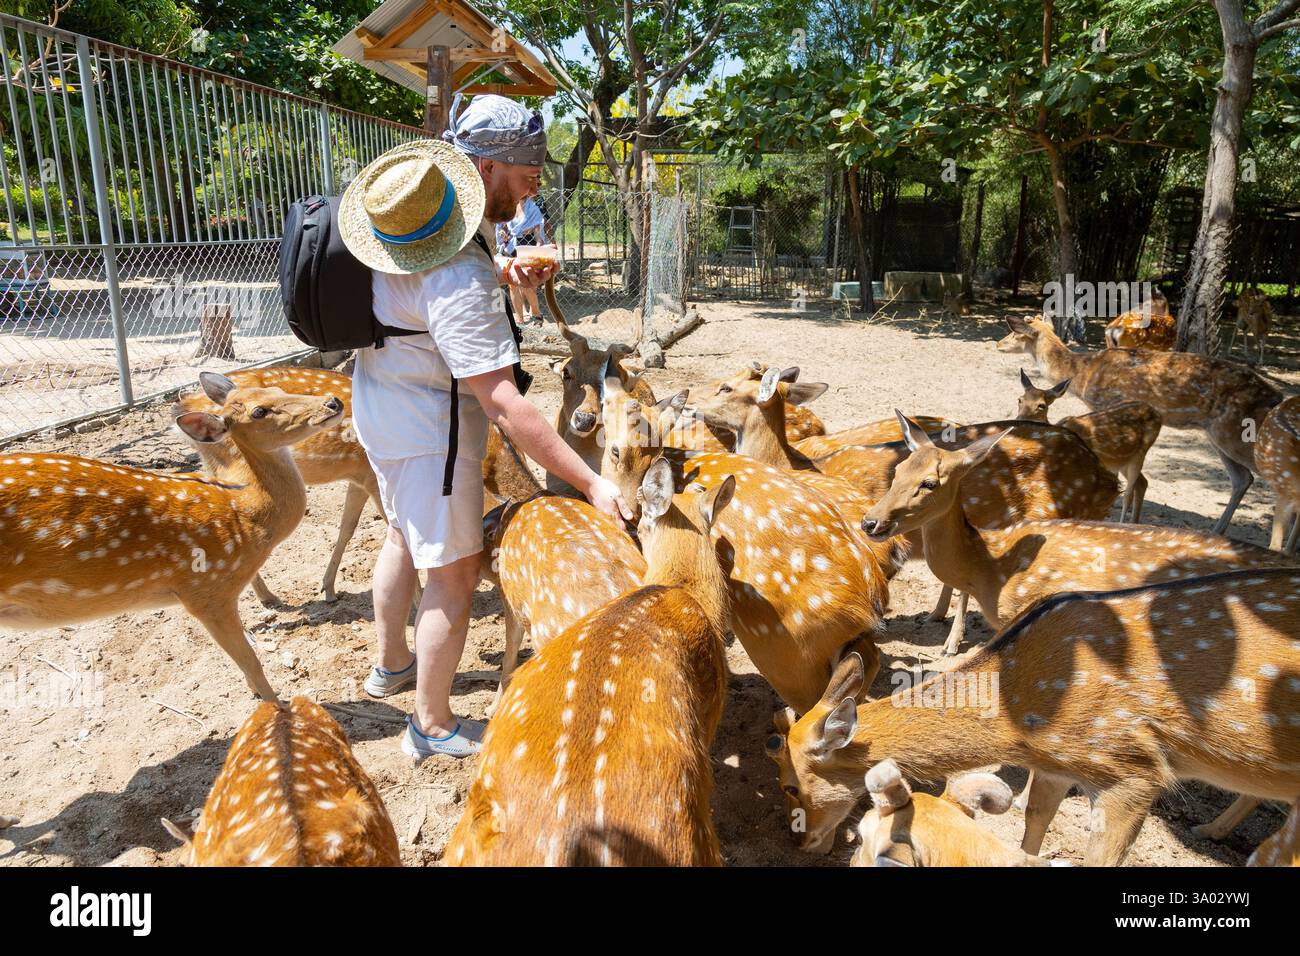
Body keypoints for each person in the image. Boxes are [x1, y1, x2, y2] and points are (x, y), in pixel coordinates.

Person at [338, 95, 631, 759]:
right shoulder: (459, 275)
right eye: (528, 176)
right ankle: (432, 725)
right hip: (429, 431)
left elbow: (417, 290)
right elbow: (504, 403)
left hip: (380, 404)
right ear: (490, 166)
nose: (534, 189)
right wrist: (590, 482)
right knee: (455, 574)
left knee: (401, 535)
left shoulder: (413, 226)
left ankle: (391, 665)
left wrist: (501, 268)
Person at [496, 195, 547, 324]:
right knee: (512, 285)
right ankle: (520, 319)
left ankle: (536, 314)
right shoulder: (507, 204)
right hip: (510, 246)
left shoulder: (533, 208)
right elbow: (502, 226)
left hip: (526, 245)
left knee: (527, 284)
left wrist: (539, 244)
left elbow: (537, 231)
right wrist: (502, 233)